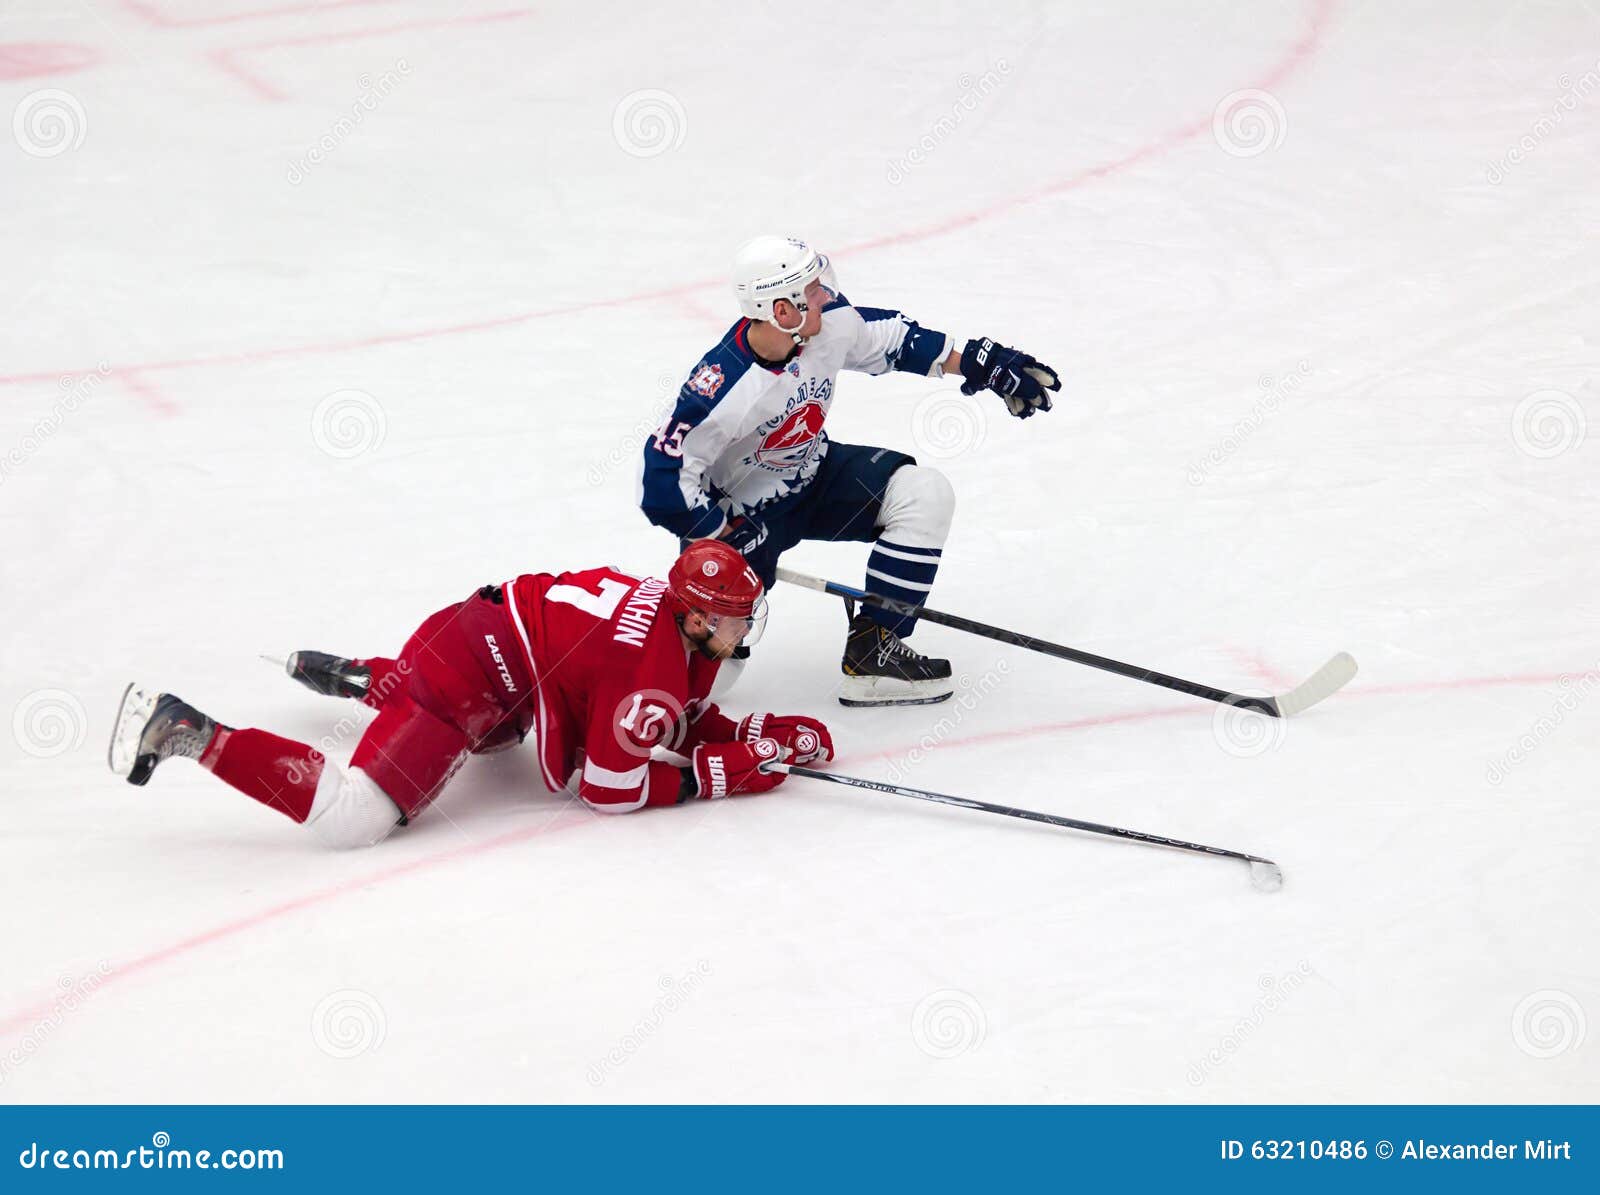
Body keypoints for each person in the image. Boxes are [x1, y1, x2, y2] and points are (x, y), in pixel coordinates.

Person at [107, 541, 834, 847]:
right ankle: (189, 731)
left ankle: (375, 678)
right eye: (737, 617)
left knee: (498, 742)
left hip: (488, 651)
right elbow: (610, 790)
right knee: (354, 820)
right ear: (700, 616)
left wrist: (745, 732)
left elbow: (671, 713)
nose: (746, 627)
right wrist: (726, 771)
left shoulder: (676, 622)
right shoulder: (649, 661)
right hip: (471, 674)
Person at [639, 235, 1059, 707]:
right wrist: (722, 533)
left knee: (923, 494)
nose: (825, 294)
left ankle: (874, 652)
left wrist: (986, 363)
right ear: (782, 311)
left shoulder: (828, 323)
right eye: (812, 289)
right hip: (743, 519)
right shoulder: (723, 385)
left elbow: (896, 341)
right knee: (708, 679)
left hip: (814, 477)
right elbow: (662, 480)